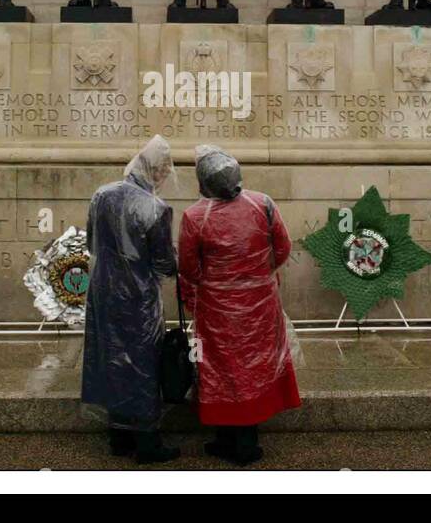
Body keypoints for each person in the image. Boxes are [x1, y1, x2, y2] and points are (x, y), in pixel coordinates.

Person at [178, 145, 301, 465]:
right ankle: (245, 440)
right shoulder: (263, 204)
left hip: (217, 308)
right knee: (255, 367)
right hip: (261, 303)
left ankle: (230, 439)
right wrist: (259, 276)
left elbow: (189, 268)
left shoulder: (194, 217)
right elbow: (283, 248)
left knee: (221, 370)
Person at [80, 135, 181, 463]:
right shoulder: (156, 208)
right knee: (142, 363)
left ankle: (119, 436)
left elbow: (92, 242)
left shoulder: (101, 195)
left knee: (112, 356)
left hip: (104, 289)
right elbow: (164, 263)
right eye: (165, 170)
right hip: (138, 296)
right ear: (157, 170)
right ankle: (147, 442)